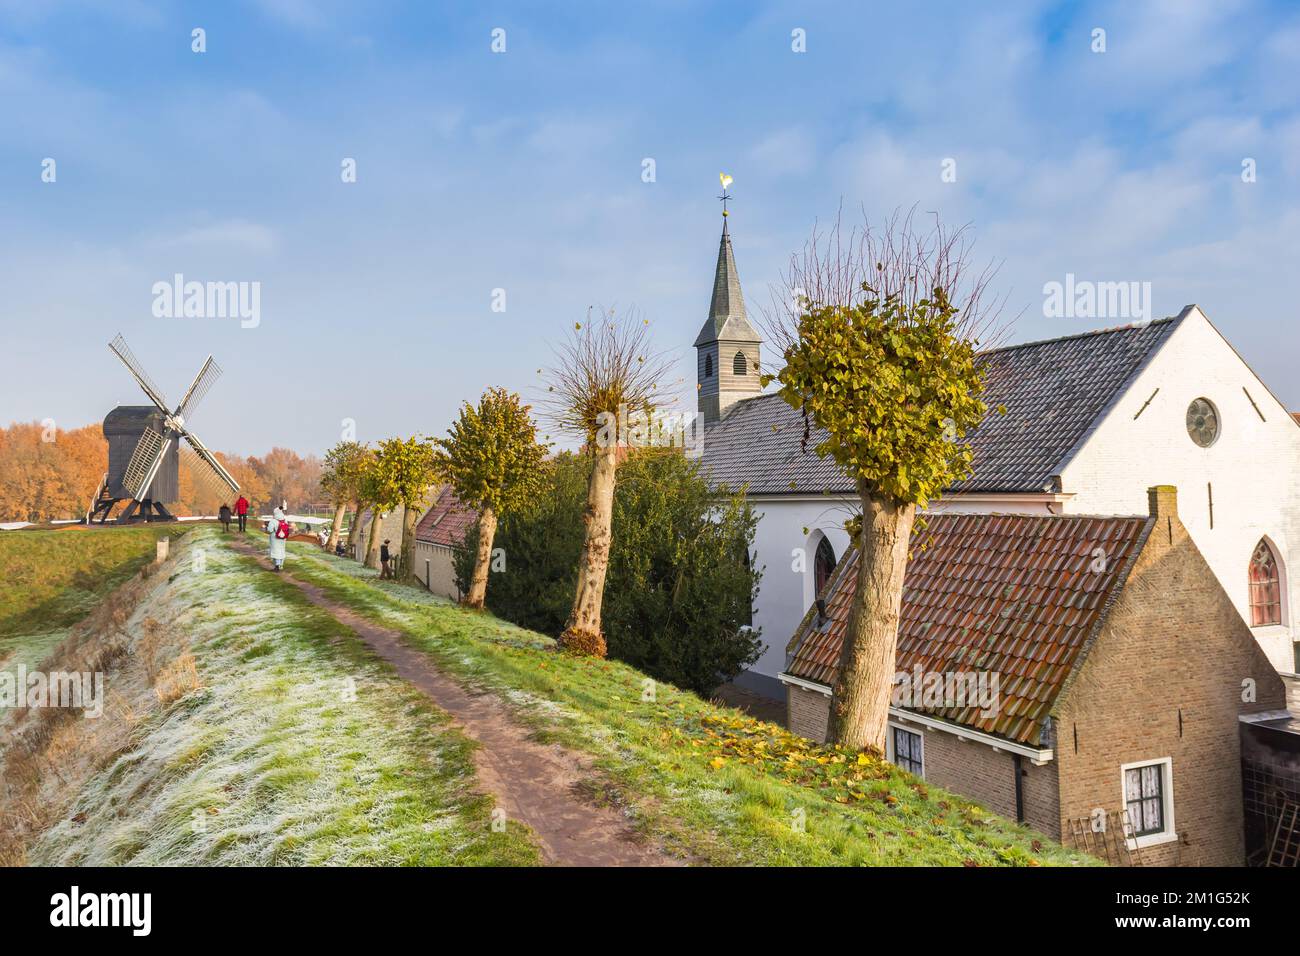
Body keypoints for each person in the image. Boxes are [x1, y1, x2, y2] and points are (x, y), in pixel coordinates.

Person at [266, 506, 289, 572]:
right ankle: (281, 565)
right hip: (283, 538)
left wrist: (268, 527)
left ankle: (277, 567)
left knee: (276, 551)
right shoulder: (285, 519)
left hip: (275, 538)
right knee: (281, 550)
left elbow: (270, 530)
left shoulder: (273, 521)